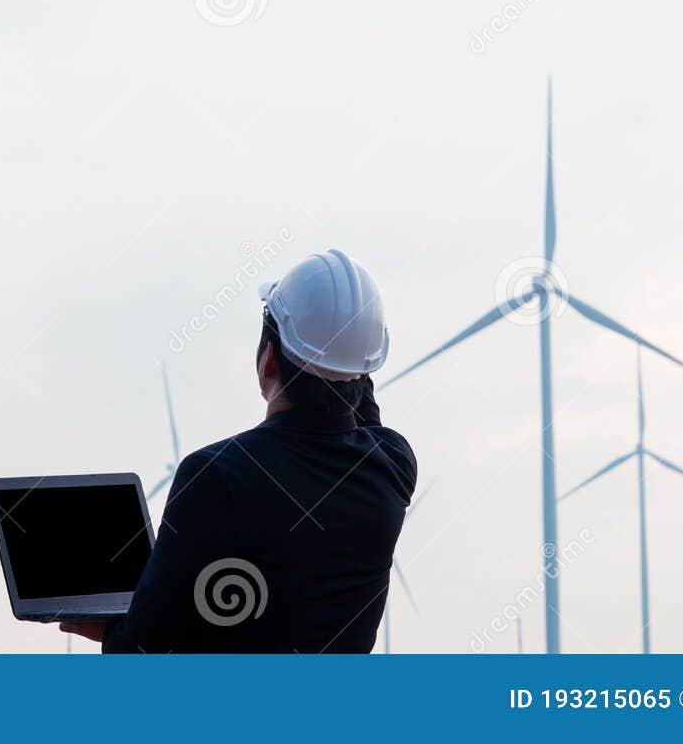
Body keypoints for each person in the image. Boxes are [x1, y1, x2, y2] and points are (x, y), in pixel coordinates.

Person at [62, 250, 417, 652]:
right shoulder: (391, 465)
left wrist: (108, 632)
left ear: (267, 359)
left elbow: (143, 653)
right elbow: (362, 406)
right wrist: (347, 346)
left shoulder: (214, 475)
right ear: (366, 368)